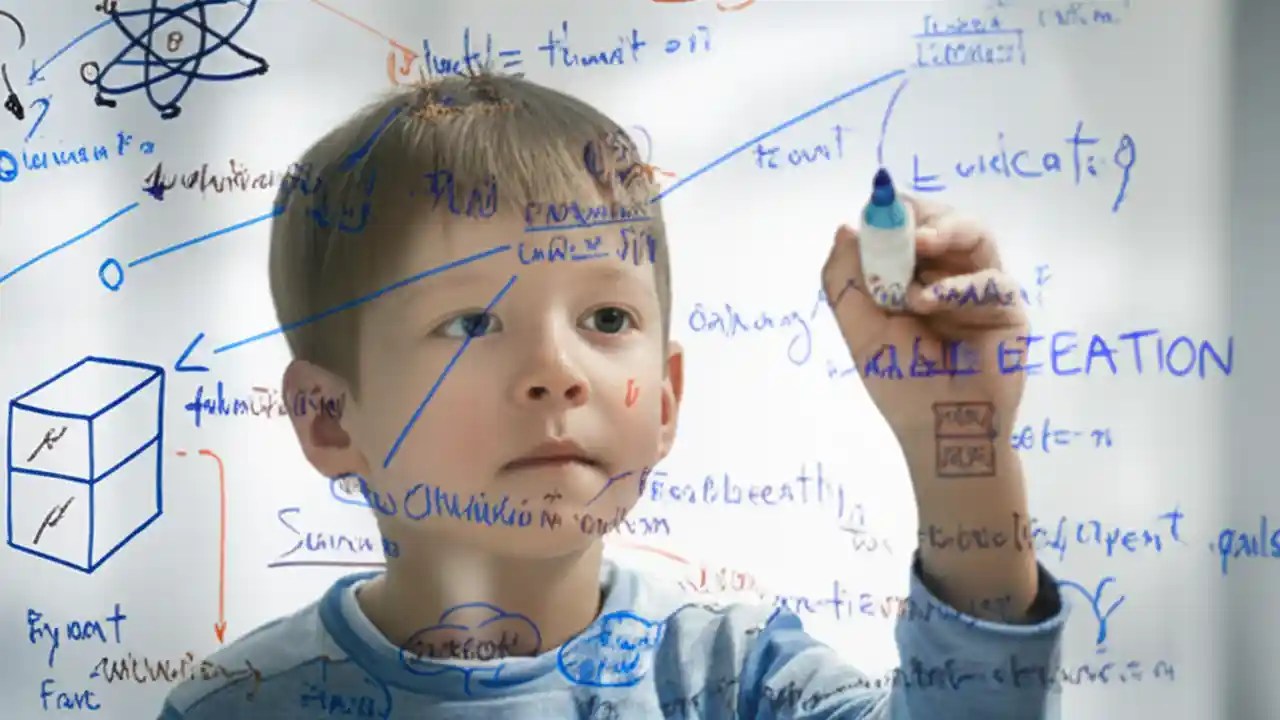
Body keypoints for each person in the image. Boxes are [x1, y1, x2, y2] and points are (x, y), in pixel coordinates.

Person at [160, 70, 1066, 719]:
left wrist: (965, 447)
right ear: (327, 417)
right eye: (470, 324)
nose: (557, 370)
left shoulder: (736, 680)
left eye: (602, 318)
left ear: (665, 398)